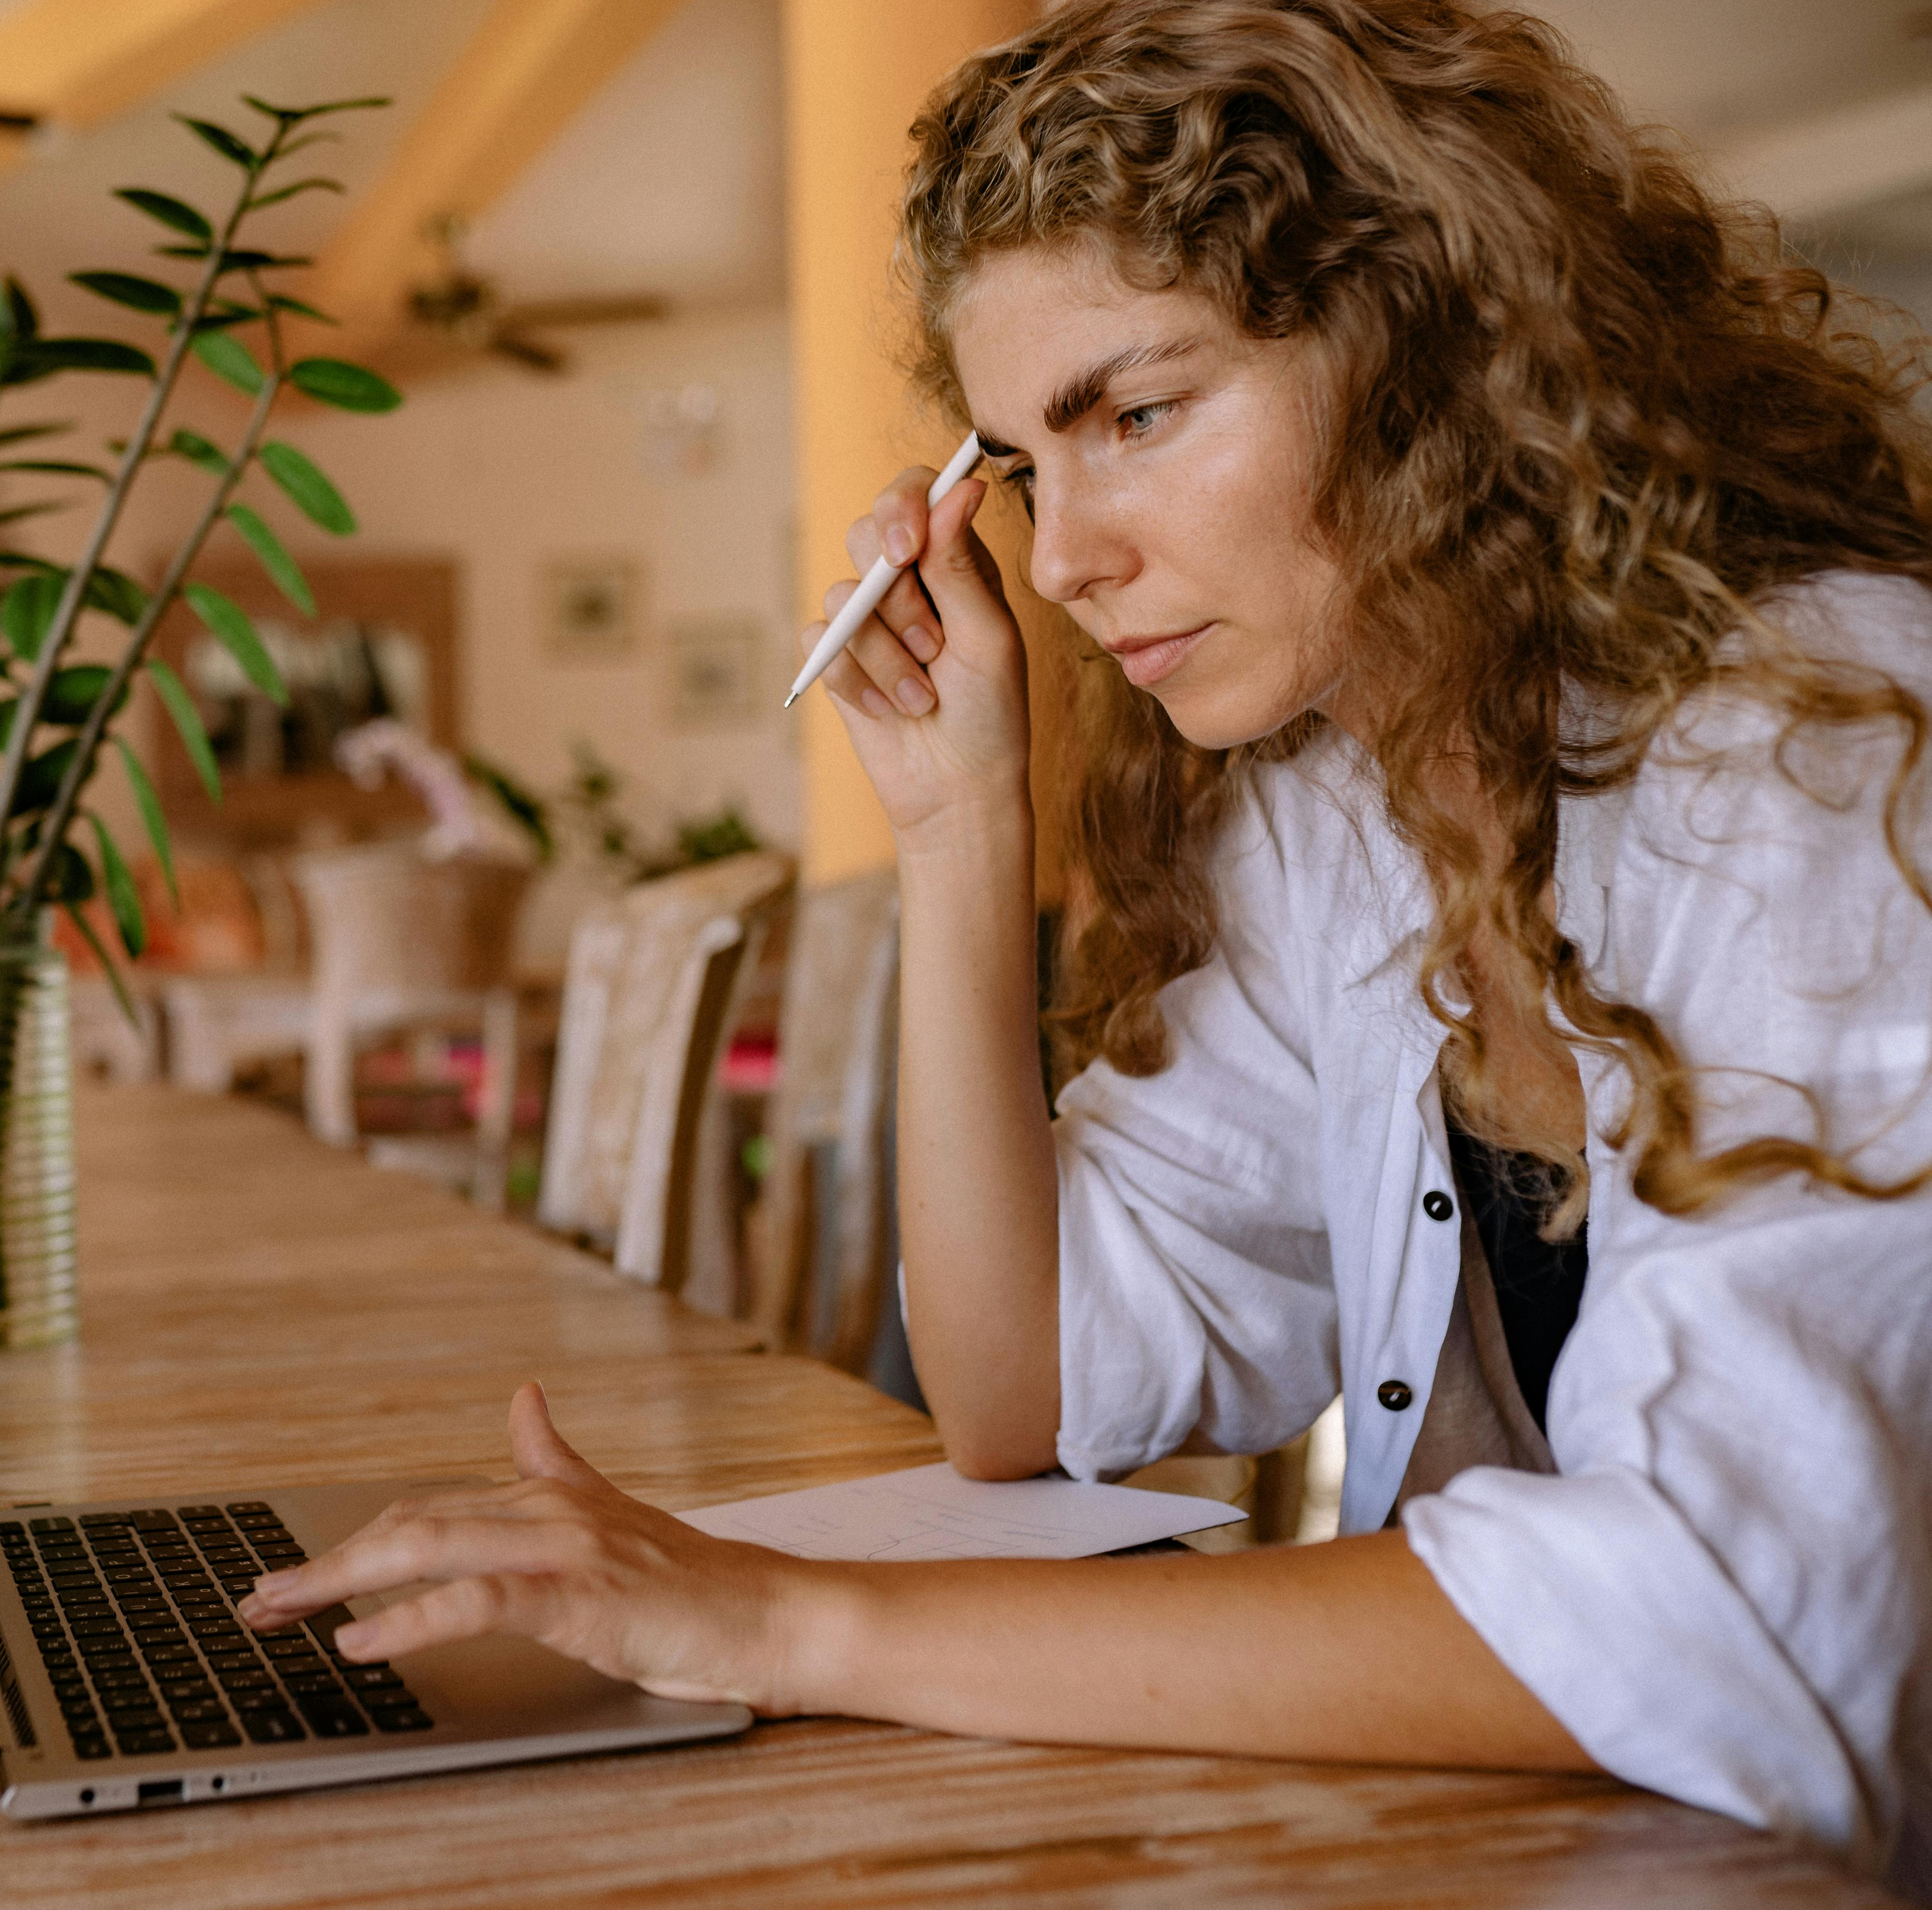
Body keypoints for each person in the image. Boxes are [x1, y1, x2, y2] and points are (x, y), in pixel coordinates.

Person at [239, 0, 1932, 1890]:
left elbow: (1725, 1608)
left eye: (1137, 412)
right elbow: (1023, 1388)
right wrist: (966, 825)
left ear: (1425, 349)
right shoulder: (1346, 815)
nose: (1062, 562)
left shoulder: (1833, 754)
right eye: (1038, 464)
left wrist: (782, 1628)